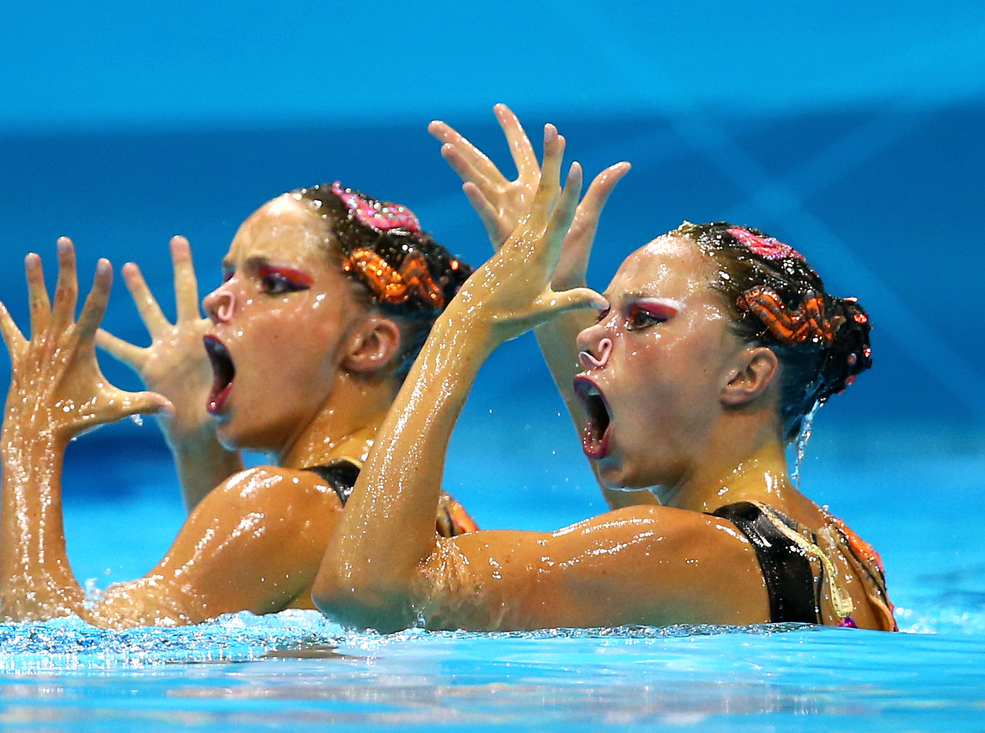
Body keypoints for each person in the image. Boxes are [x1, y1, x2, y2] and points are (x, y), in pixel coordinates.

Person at [312, 119, 896, 632]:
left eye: (643, 319)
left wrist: (467, 322)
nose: (593, 333)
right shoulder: (844, 551)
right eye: (602, 312)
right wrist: (559, 298)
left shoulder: (690, 552)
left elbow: (370, 592)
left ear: (745, 374)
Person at [0, 183, 476, 628]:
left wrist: (31, 438)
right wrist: (198, 441)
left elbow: (45, 646)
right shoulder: (439, 516)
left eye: (274, 283)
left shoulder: (278, 505)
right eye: (228, 276)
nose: (217, 298)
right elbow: (251, 593)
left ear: (368, 344)